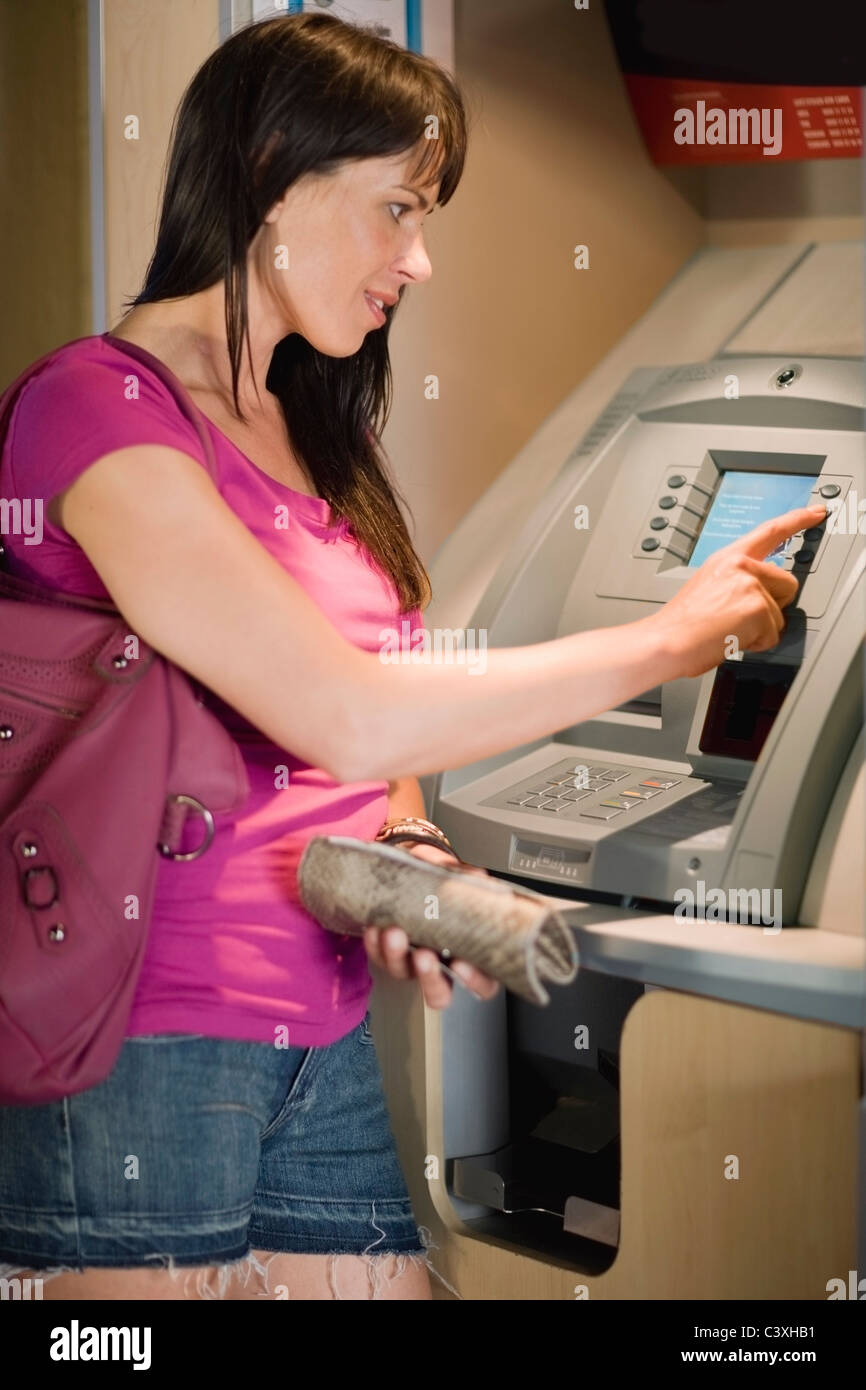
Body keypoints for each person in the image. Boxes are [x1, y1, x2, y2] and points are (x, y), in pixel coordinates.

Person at [0, 11, 826, 1302]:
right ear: (272, 172)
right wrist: (680, 636)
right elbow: (347, 710)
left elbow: (370, 744)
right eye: (396, 210)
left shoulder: (312, 423)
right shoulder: (95, 410)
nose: (419, 260)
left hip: (320, 1027)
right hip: (145, 1033)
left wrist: (414, 848)